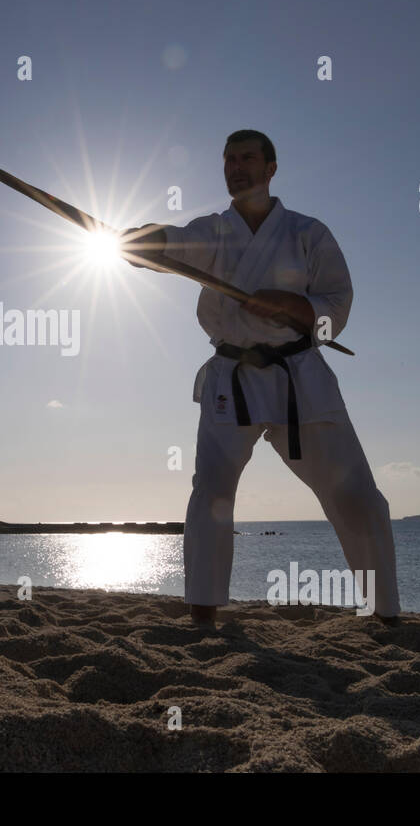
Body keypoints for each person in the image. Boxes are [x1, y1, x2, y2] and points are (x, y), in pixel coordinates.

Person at [124, 129, 401, 626]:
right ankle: (203, 615)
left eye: (248, 158)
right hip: (232, 377)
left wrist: (296, 306)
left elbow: (336, 307)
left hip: (300, 375)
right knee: (211, 490)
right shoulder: (214, 229)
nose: (236, 167)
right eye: (229, 159)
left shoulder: (307, 233)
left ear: (271, 168)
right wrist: (148, 240)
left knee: (355, 491)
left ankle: (385, 613)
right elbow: (177, 246)